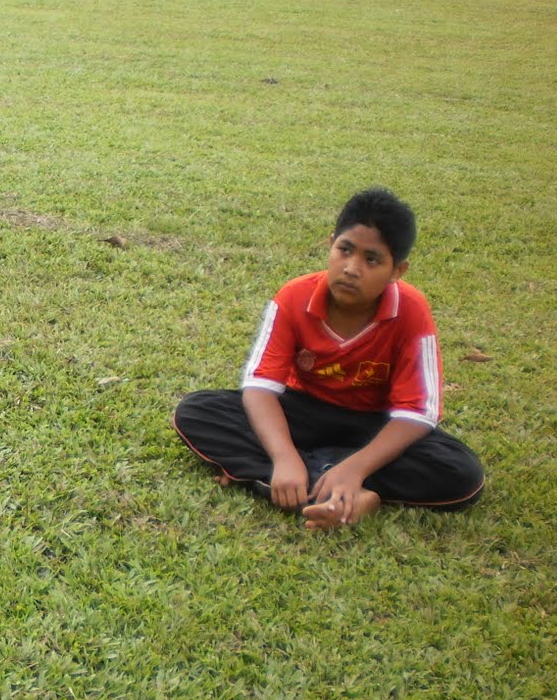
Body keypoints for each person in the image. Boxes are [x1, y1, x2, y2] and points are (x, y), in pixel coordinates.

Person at [172, 188, 483, 531]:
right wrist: (284, 457)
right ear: (330, 244)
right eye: (345, 250)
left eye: (372, 259)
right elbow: (260, 387)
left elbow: (418, 413)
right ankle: (329, 488)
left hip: (372, 423)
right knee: (197, 411)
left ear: (398, 270)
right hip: (304, 412)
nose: (352, 268)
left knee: (461, 472)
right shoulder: (295, 295)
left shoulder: (411, 311)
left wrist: (356, 468)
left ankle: (334, 485)